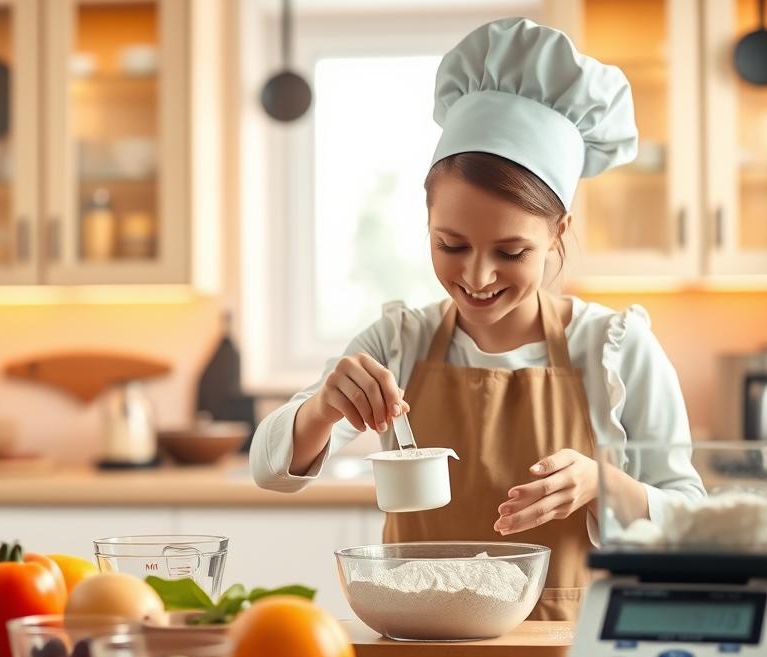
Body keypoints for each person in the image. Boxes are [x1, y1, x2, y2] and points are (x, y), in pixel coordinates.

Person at [250, 18, 703, 621]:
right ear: (427, 221)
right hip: (419, 651)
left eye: (511, 253)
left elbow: (696, 521)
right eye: (451, 245)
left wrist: (603, 485)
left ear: (558, 233)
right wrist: (322, 408)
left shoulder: (616, 347)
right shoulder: (399, 340)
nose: (477, 277)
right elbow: (269, 469)